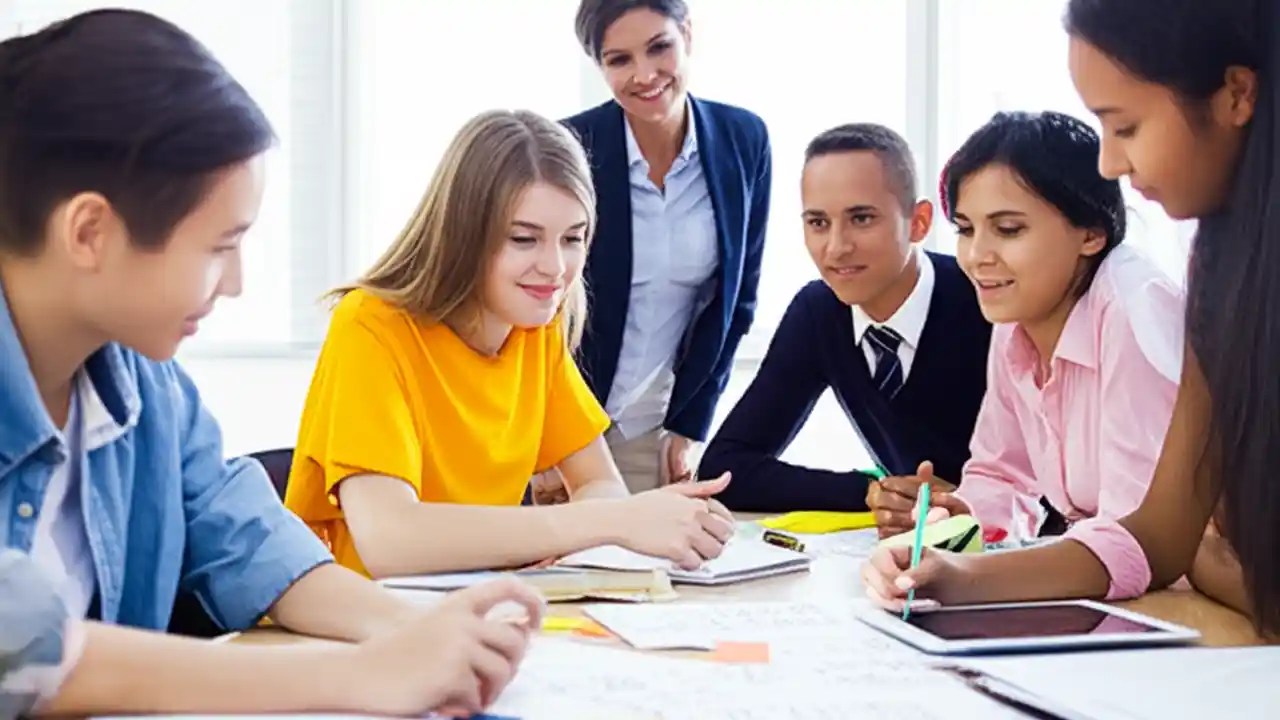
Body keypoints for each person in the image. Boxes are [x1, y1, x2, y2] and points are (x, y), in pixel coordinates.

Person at [0, 10, 540, 718]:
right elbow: (25, 652)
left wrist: (418, 631)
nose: (237, 283)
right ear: (90, 232)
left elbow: (246, 537)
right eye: (220, 246)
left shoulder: (144, 383)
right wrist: (359, 675)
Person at [862, 0, 1280, 636]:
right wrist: (958, 572)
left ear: (1237, 95)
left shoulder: (1135, 301)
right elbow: (1162, 536)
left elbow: (1168, 537)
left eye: (1127, 126)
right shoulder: (1216, 262)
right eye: (967, 230)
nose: (1109, 165)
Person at [284, 109, 736, 580]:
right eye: (524, 239)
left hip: (483, 612)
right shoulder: (370, 326)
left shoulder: (535, 329)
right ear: (463, 234)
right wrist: (602, 522)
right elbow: (389, 539)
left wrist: (613, 522)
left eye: (573, 238)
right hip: (363, 626)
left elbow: (599, 482)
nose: (556, 268)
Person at [871, 111, 1184, 545]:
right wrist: (955, 520)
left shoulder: (1132, 306)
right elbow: (999, 475)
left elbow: (1138, 536)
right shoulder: (1016, 320)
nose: (977, 255)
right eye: (965, 229)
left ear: (1091, 233)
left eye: (1008, 229)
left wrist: (977, 578)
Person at [698, 124, 991, 517]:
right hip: (919, 549)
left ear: (919, 222)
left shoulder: (987, 300)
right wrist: (872, 493)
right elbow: (724, 470)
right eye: (818, 223)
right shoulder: (819, 311)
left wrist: (971, 500)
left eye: (862, 218)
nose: (836, 248)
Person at [557, 0, 772, 494]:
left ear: (688, 36)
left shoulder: (745, 140)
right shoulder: (569, 144)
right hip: (561, 425)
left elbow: (736, 303)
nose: (645, 74)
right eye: (620, 60)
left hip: (650, 429)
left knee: (650, 569)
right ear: (599, 66)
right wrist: (551, 436)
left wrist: (692, 421)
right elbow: (538, 307)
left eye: (659, 47)